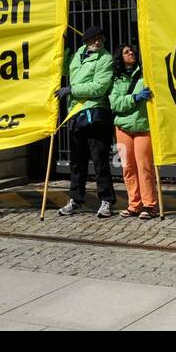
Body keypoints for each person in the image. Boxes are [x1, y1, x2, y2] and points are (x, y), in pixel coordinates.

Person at [57, 25, 116, 218]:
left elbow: (99, 87)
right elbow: (65, 68)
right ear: (86, 42)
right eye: (93, 40)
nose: (97, 42)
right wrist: (61, 46)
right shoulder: (79, 53)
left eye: (100, 38)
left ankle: (106, 201)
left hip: (96, 115)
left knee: (99, 162)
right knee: (77, 162)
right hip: (76, 114)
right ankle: (76, 200)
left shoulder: (105, 58)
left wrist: (72, 90)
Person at [110, 43, 158, 219]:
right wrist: (135, 98)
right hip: (122, 128)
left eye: (132, 51)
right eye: (126, 52)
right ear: (120, 57)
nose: (131, 53)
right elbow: (115, 103)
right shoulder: (116, 79)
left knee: (144, 166)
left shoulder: (146, 75)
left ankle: (149, 205)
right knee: (128, 168)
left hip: (142, 127)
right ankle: (134, 204)